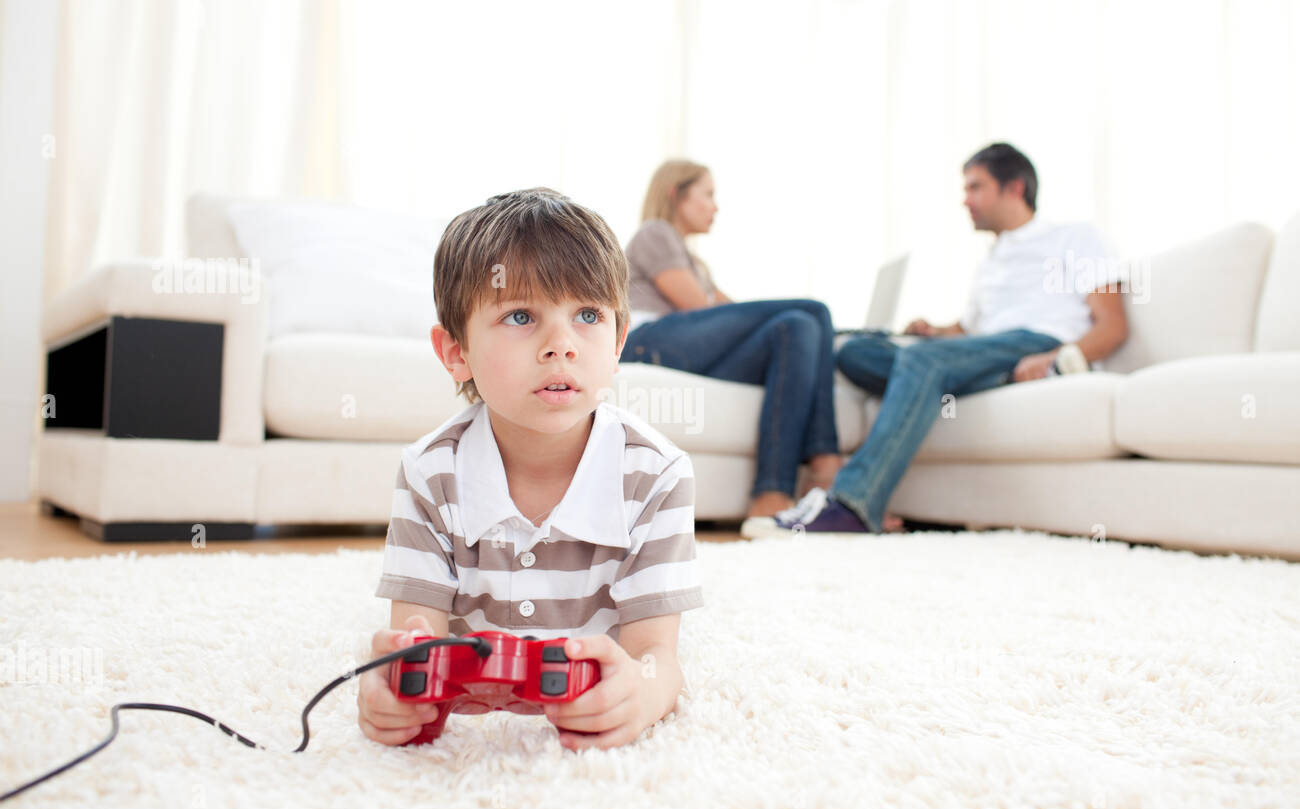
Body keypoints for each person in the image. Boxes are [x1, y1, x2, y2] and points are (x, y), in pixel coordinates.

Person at [358, 188, 705, 751]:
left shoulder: (656, 474)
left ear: (618, 342)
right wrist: (395, 692)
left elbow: (656, 656)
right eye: (521, 315)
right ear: (455, 353)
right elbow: (414, 638)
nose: (561, 345)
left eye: (587, 315)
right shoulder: (431, 471)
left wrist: (638, 697)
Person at [747, 142, 1129, 537]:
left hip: (1037, 341)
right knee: (854, 352)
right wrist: (936, 332)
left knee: (922, 362)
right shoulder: (990, 261)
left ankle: (852, 504)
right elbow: (968, 330)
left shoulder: (1074, 237)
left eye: (975, 187)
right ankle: (970, 377)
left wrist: (1055, 360)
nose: (966, 200)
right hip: (988, 355)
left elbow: (1113, 326)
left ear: (1014, 188)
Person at [619, 159, 845, 519]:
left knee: (797, 326)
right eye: (707, 195)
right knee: (815, 310)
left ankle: (770, 496)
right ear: (676, 194)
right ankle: (826, 465)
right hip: (651, 342)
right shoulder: (654, 232)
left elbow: (731, 313)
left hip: (691, 351)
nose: (715, 206)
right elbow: (697, 306)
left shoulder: (696, 264)